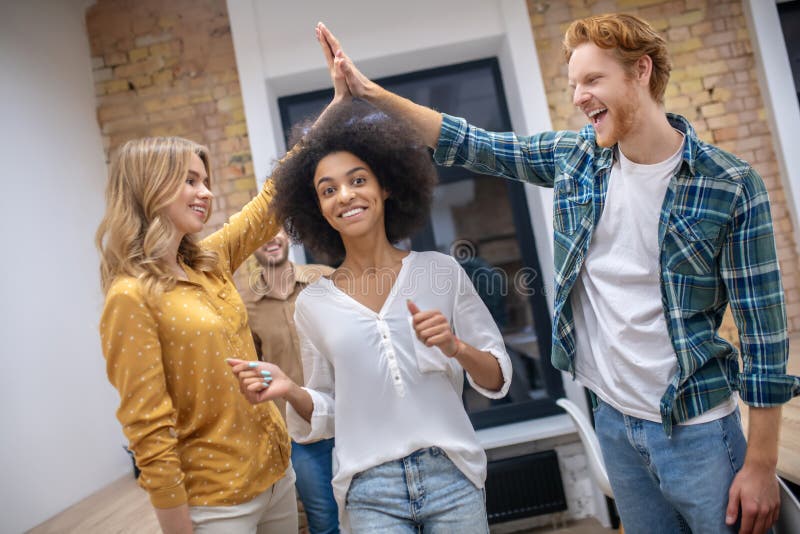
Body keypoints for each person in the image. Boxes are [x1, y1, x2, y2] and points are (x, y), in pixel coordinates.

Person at [314, 14, 800, 534]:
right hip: (614, 423)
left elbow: (763, 335)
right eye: (573, 85)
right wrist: (366, 92)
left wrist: (761, 463)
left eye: (592, 80)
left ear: (641, 70)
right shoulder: (577, 161)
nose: (578, 97)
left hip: (700, 429)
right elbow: (472, 143)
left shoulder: (728, 184)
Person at [228, 99, 513, 533]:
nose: (345, 195)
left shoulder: (440, 272)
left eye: (358, 180)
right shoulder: (314, 304)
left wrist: (456, 347)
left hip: (452, 477)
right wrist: (290, 390)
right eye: (328, 189)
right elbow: (327, 410)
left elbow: (495, 378)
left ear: (386, 187)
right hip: (368, 492)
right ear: (318, 208)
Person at [96, 136, 299, 534]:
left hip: (277, 476)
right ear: (149, 187)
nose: (205, 192)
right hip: (219, 503)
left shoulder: (208, 262)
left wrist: (333, 112)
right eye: (190, 181)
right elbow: (148, 429)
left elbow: (268, 205)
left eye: (205, 180)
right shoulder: (130, 296)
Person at [241, 229, 339, 534]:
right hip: (299, 433)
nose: (269, 239)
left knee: (368, 511)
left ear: (288, 235)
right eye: (260, 235)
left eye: (275, 232)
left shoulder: (324, 280)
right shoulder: (246, 305)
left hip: (347, 418)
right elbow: (252, 373)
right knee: (323, 522)